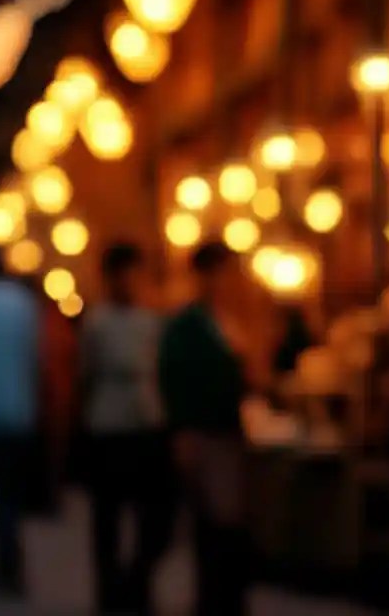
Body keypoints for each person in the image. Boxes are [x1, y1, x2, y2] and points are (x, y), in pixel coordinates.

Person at [159, 241, 260, 616]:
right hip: (204, 431)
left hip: (230, 430)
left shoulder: (230, 320)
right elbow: (175, 377)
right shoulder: (188, 324)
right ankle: (213, 599)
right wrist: (181, 429)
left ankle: (229, 597)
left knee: (230, 520)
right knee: (213, 520)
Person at [80, 244, 172, 615]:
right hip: (107, 426)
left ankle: (138, 586)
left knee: (153, 518)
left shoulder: (151, 322)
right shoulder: (97, 322)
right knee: (107, 518)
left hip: (146, 423)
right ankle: (109, 595)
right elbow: (85, 374)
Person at [0, 245, 41, 594]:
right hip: (19, 412)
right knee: (11, 496)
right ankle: (12, 564)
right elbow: (37, 357)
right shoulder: (23, 303)